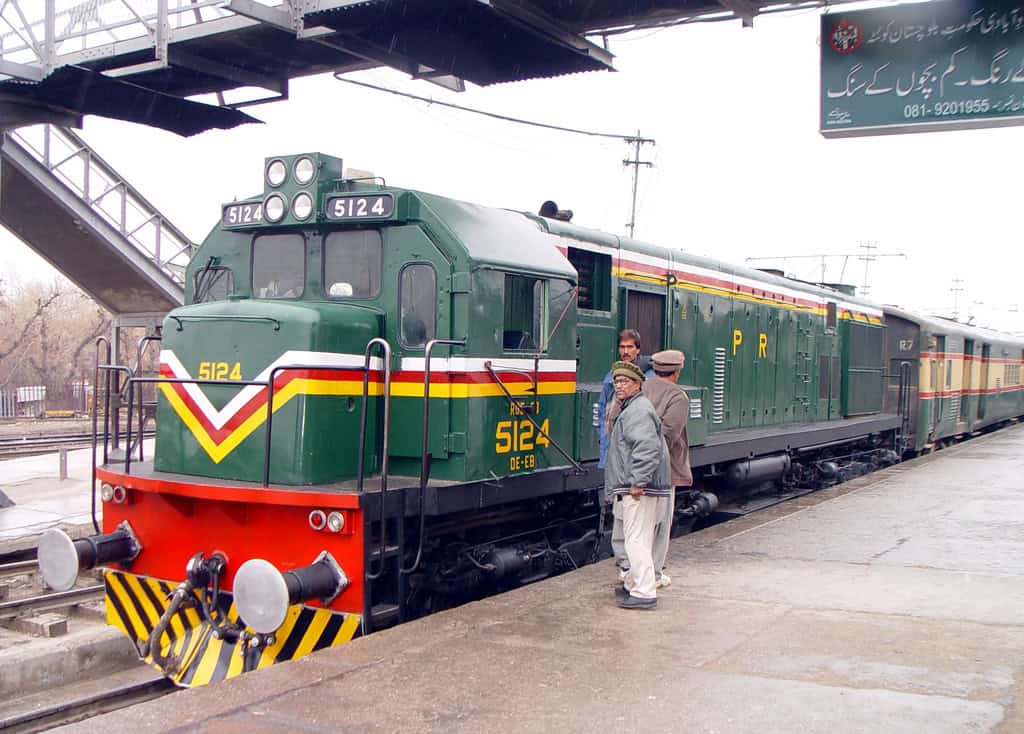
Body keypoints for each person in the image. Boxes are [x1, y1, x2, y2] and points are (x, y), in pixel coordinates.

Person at [604, 360, 672, 610]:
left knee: (635, 539)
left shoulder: (638, 410)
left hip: (639, 488)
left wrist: (637, 482)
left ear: (637, 384)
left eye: (624, 382)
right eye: (616, 382)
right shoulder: (635, 407)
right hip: (641, 485)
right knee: (639, 537)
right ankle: (634, 584)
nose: (618, 386)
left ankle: (644, 592)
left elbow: (647, 448)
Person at [597, 329, 653, 577]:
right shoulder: (610, 376)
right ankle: (626, 568)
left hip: (631, 463)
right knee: (619, 517)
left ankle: (637, 577)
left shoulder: (646, 379)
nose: (626, 351)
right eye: (622, 346)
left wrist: (639, 478)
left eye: (630, 347)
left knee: (632, 523)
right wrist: (604, 449)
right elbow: (602, 413)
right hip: (615, 456)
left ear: (638, 349)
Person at [643, 349, 693, 589]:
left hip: (637, 466)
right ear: (677, 371)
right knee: (661, 522)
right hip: (664, 469)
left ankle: (636, 569)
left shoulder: (642, 387)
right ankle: (654, 572)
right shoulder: (678, 396)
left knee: (641, 522)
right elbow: (669, 435)